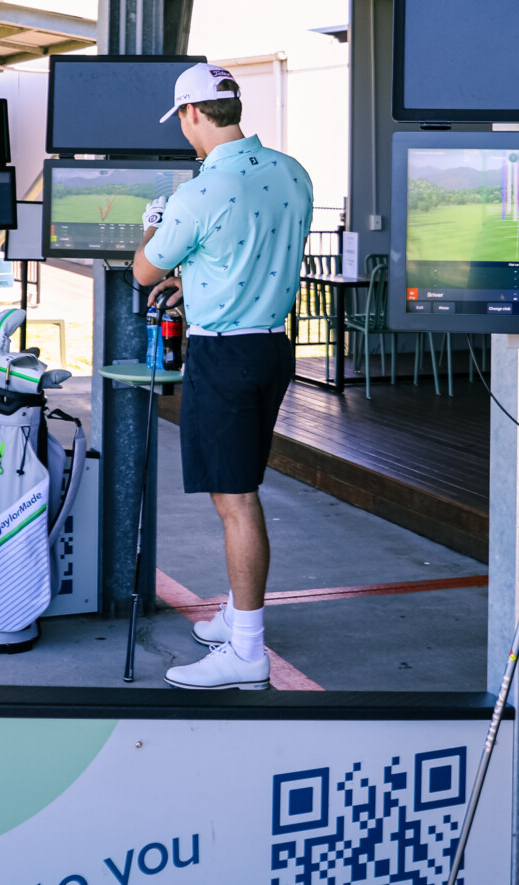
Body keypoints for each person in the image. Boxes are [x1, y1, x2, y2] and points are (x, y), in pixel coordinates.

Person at [132, 63, 314, 692]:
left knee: (236, 502)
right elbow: (250, 254)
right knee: (244, 488)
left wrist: (154, 224)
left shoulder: (196, 194)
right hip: (271, 349)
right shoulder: (294, 172)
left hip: (222, 358)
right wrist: (200, 282)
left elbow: (143, 272)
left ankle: (247, 650)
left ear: (190, 115)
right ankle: (237, 615)